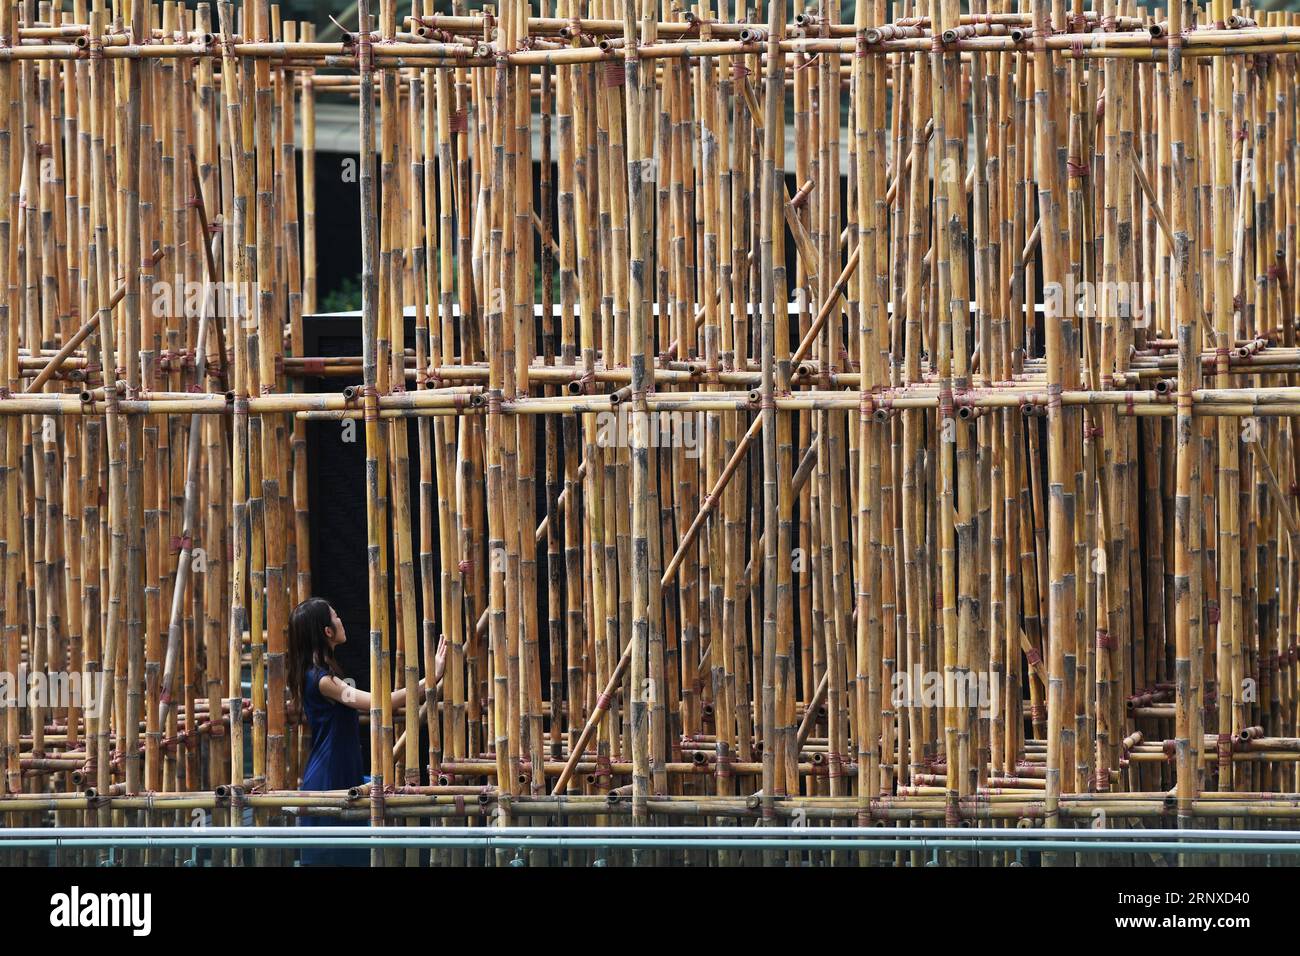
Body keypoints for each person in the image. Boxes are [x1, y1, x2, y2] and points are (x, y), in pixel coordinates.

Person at [287, 596, 446, 865]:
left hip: (338, 772)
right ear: (327, 631)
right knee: (332, 857)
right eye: (335, 616)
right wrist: (431, 679)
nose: (340, 620)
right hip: (330, 778)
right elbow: (378, 703)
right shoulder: (322, 680)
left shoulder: (320, 675)